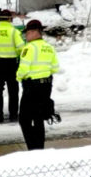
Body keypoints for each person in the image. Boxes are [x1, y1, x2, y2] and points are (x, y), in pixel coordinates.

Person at [16, 19, 60, 151]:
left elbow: (23, 69)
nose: (26, 36)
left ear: (35, 32)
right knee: (38, 118)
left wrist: (18, 77)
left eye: (27, 33)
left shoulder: (29, 48)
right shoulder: (49, 47)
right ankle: (39, 148)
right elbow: (55, 68)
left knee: (24, 119)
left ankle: (32, 148)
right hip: (46, 86)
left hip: (32, 87)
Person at [0, 9, 24, 124]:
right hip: (11, 63)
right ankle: (13, 114)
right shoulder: (14, 31)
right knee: (13, 89)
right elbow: (21, 47)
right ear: (10, 19)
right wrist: (16, 55)